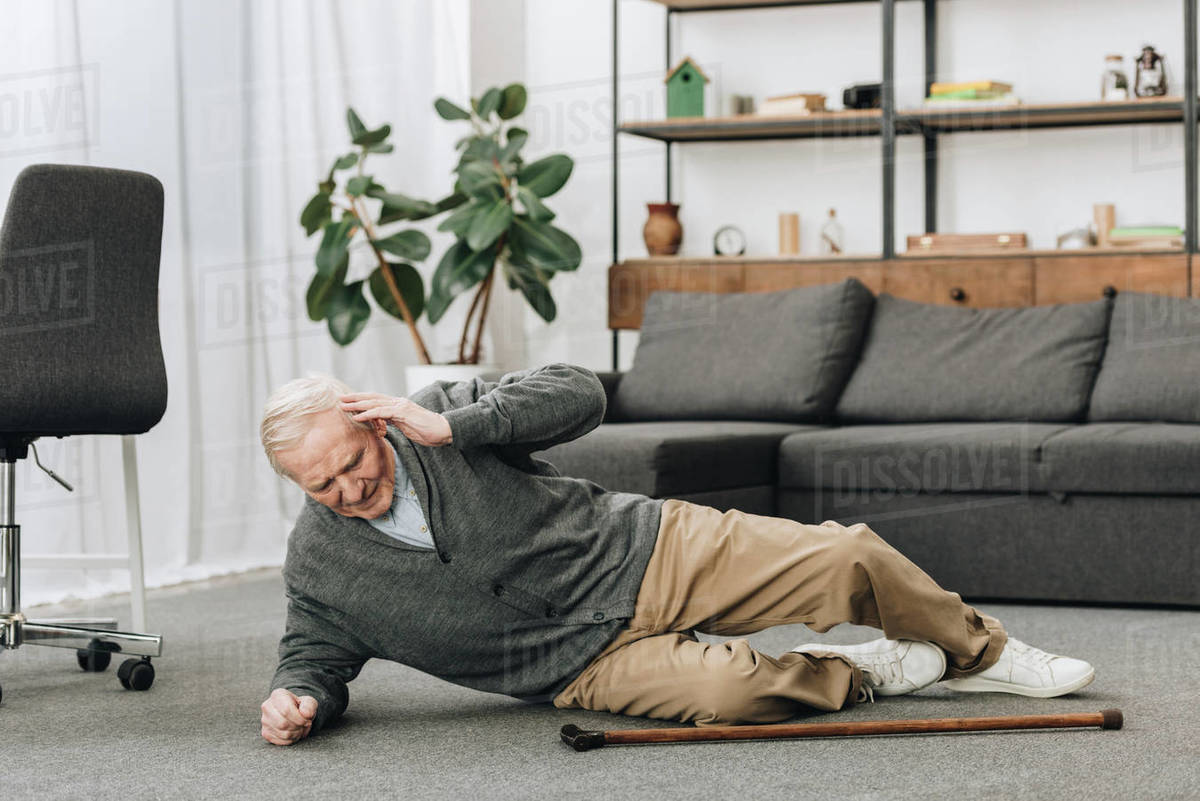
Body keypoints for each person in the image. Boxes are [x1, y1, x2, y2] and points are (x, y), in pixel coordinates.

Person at [257, 364, 1094, 746]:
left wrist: (458, 424)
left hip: (645, 547)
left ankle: (980, 651)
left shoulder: (440, 416)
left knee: (845, 559)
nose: (348, 489)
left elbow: (580, 393)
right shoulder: (321, 564)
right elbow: (314, 651)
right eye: (320, 484)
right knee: (737, 692)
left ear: (371, 422)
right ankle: (862, 672)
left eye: (354, 463)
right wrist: (299, 697)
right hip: (575, 666)